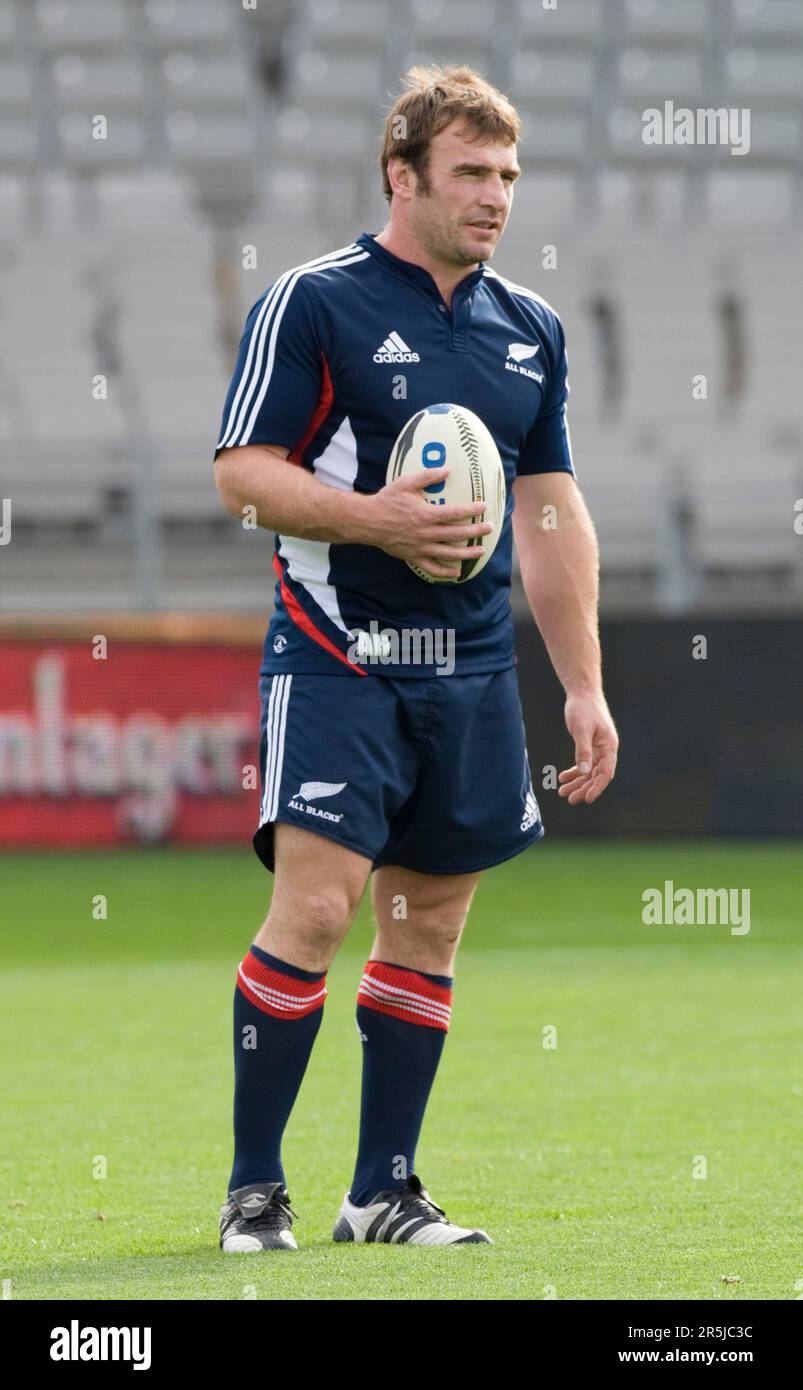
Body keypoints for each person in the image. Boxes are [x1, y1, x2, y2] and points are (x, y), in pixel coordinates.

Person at [213, 65, 618, 1252]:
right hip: (338, 652)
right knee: (319, 905)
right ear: (403, 176)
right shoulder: (314, 302)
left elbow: (550, 514)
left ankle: (381, 1190)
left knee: (428, 925)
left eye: (506, 175)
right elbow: (243, 475)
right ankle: (253, 1190)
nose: (494, 198)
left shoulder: (528, 330)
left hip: (472, 669)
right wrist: (378, 518)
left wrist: (583, 684)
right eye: (470, 174)